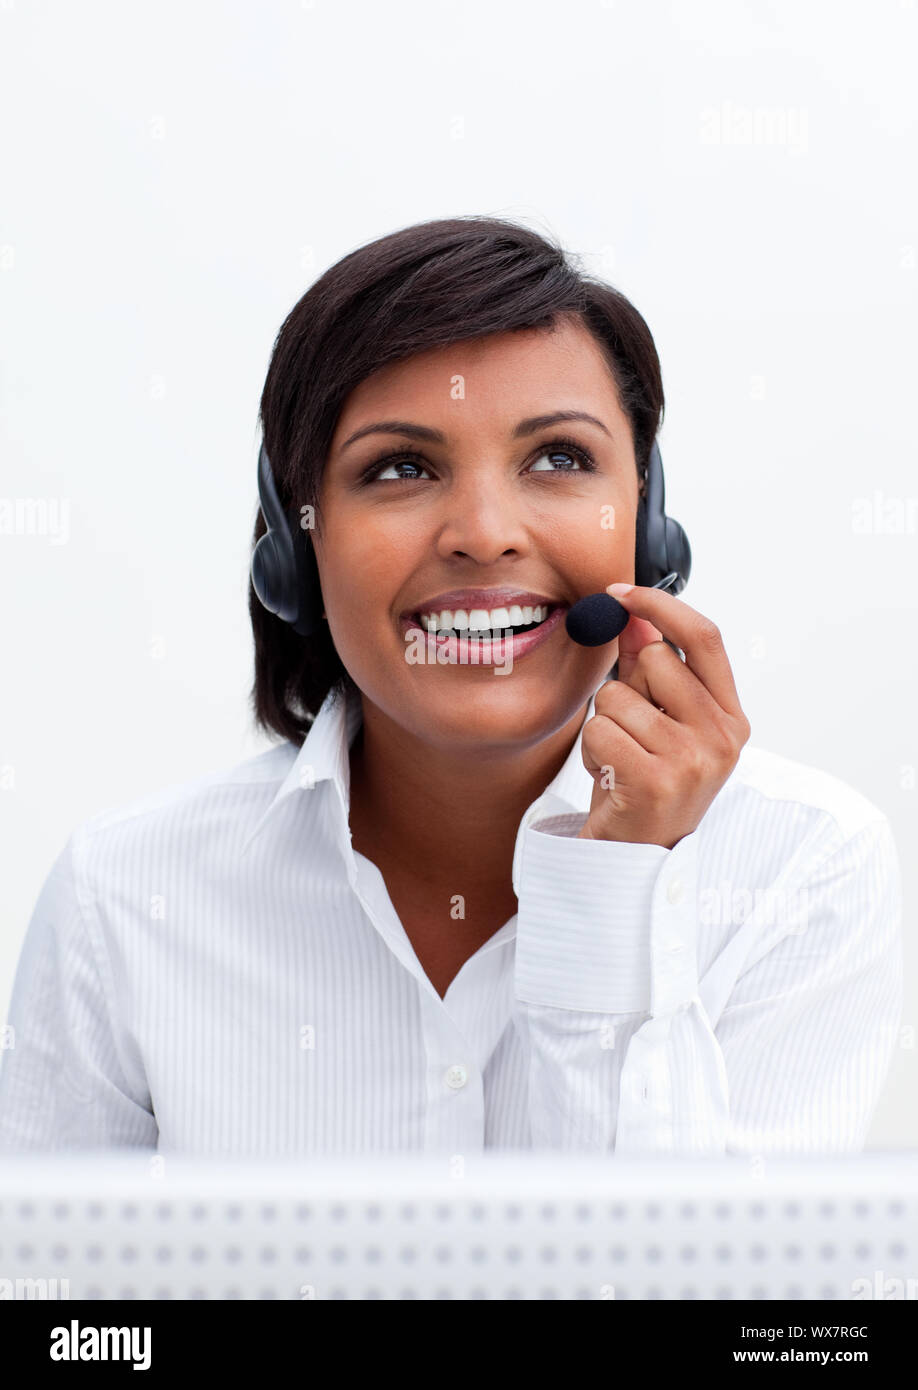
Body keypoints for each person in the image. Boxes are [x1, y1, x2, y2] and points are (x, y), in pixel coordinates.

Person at [0, 215, 902, 1156]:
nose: (483, 532)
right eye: (400, 467)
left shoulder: (799, 868)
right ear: (296, 548)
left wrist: (616, 887)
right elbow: (68, 1298)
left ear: (648, 526)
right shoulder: (127, 898)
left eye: (558, 458)